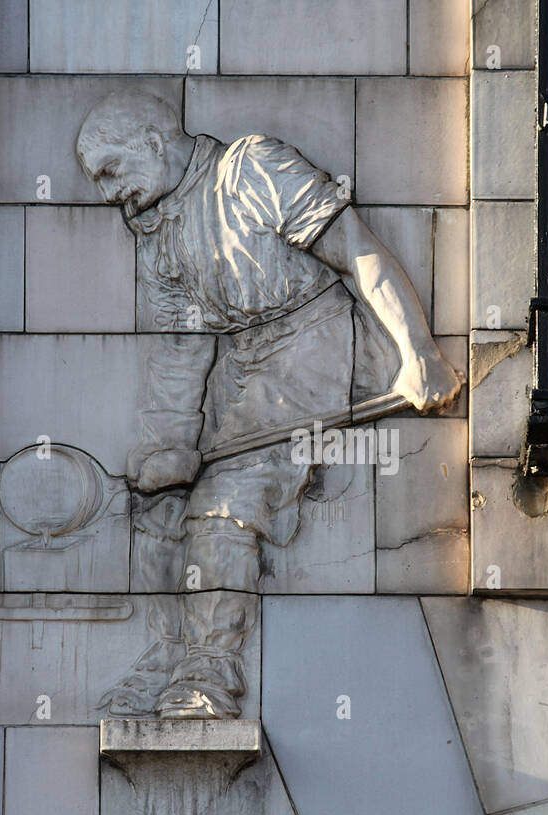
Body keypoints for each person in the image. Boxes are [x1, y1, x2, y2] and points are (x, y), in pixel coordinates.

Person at [78, 91, 460, 718]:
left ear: (151, 143)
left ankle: (210, 674)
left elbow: (358, 253)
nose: (106, 194)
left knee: (224, 506)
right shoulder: (158, 233)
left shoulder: (251, 169)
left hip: (316, 344)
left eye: (111, 172)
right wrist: (168, 447)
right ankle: (172, 652)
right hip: (244, 364)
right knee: (160, 507)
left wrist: (419, 354)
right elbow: (180, 353)